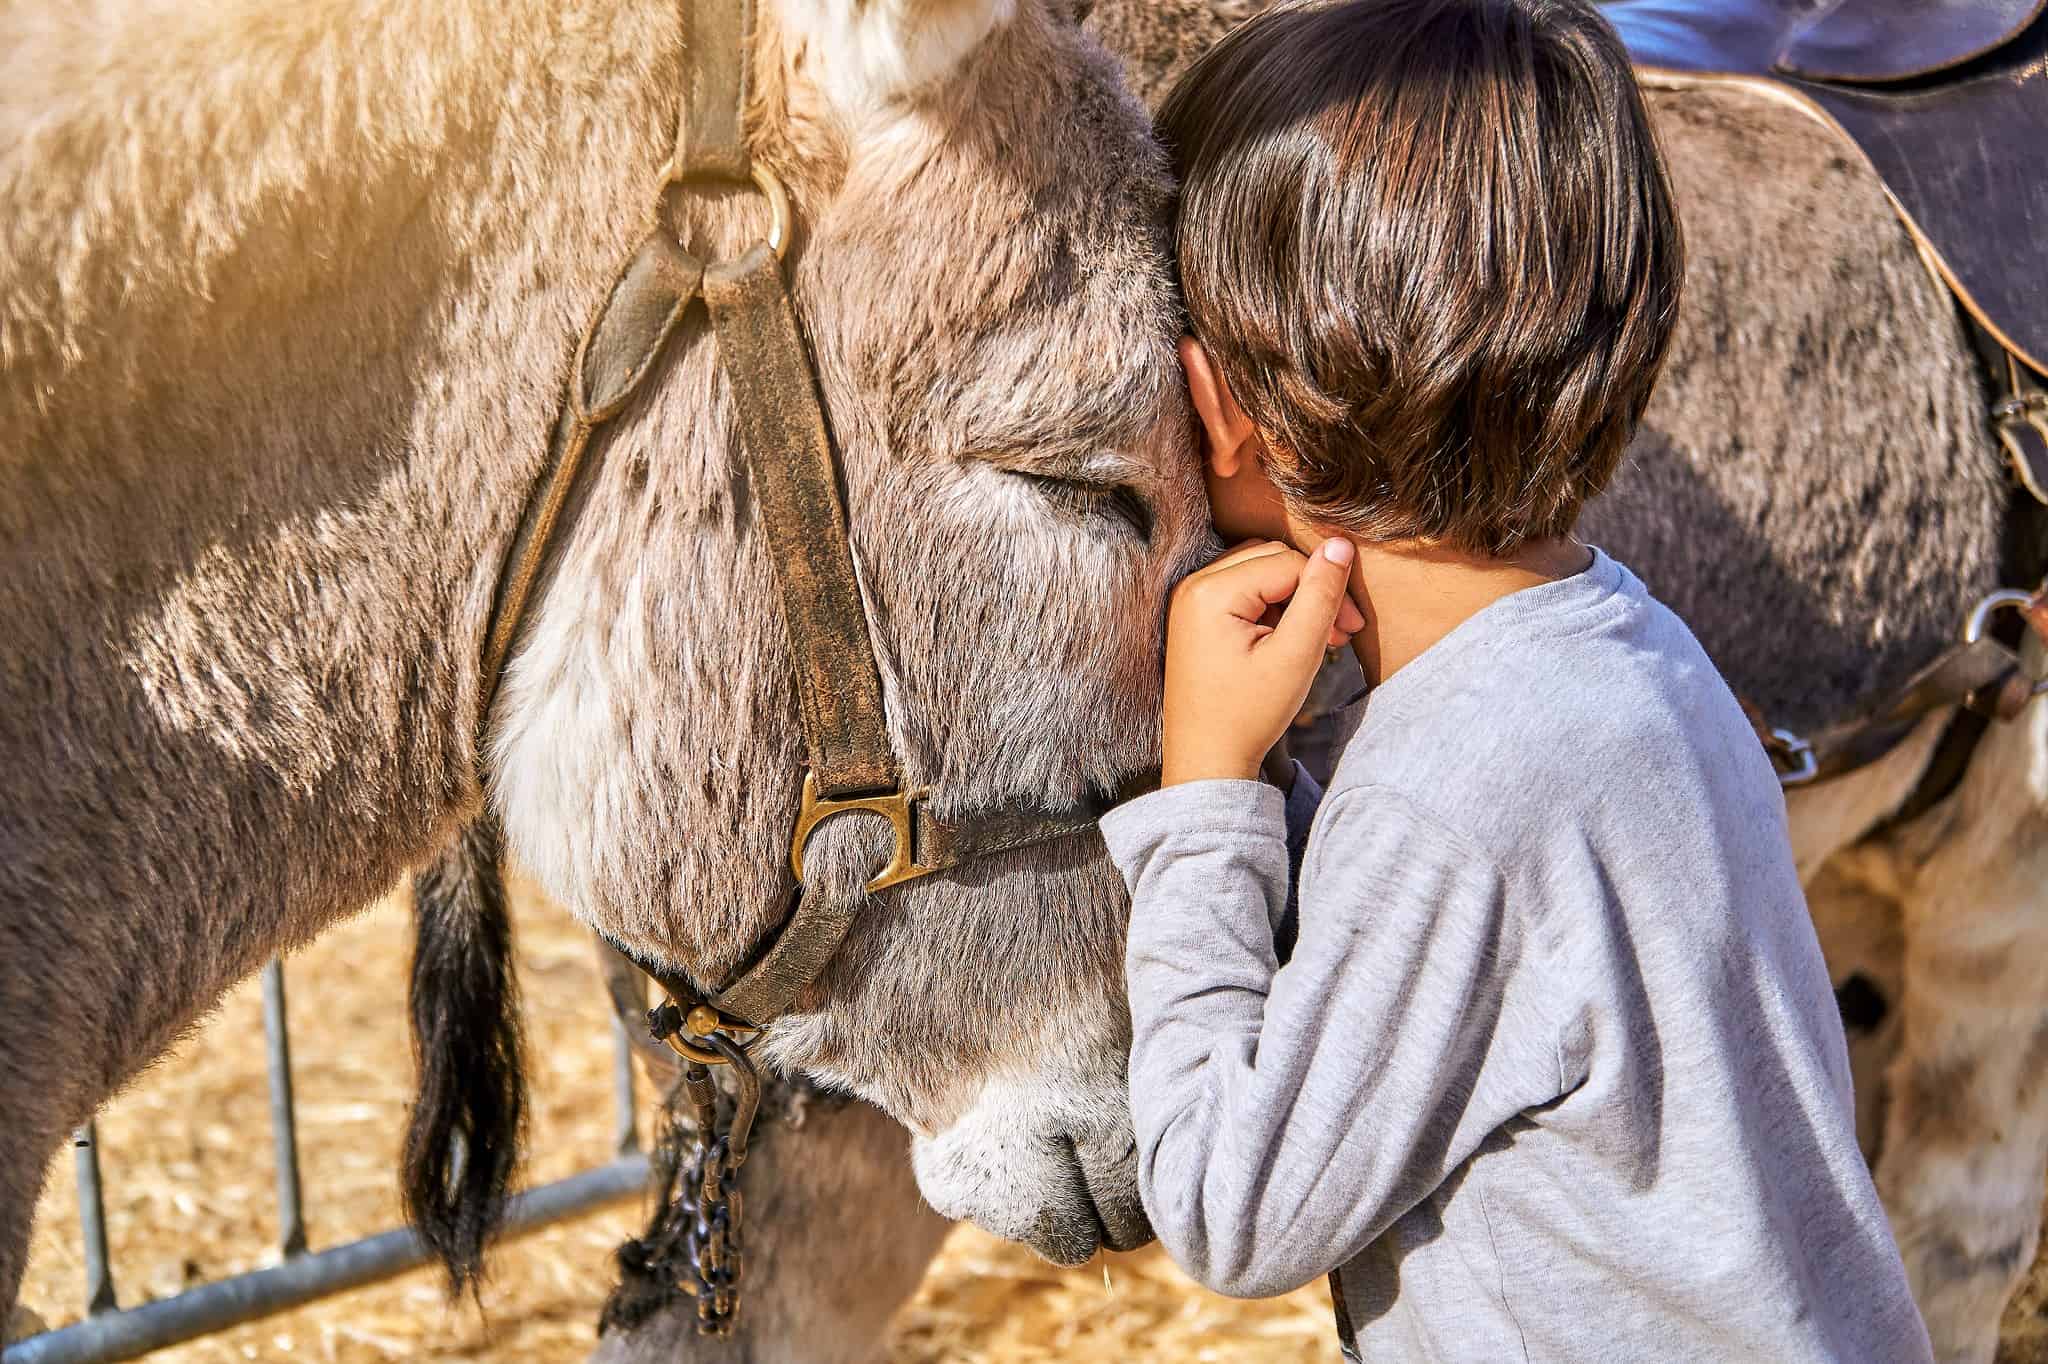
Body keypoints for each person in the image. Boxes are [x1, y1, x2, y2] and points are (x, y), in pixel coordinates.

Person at [1098, 0, 1933, 1358]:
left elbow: (1228, 1205)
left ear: (1221, 406)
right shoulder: (1628, 645)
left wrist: (1206, 793)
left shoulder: (1450, 800)